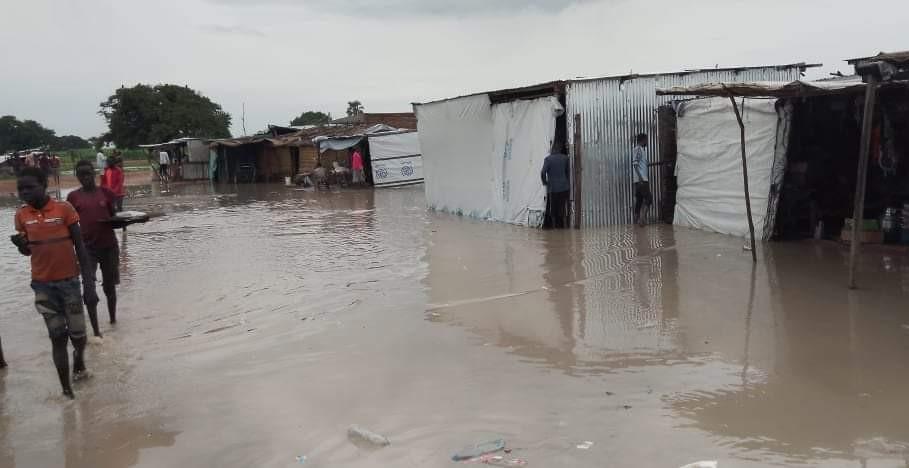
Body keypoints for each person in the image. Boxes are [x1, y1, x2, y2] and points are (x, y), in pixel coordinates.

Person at [11, 167, 95, 398]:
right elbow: (28, 251)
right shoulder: (21, 215)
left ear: (44, 185)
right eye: (20, 189)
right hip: (42, 285)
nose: (24, 192)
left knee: (78, 335)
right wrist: (21, 246)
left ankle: (79, 359)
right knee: (57, 336)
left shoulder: (64, 209)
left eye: (29, 187)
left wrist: (89, 285)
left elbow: (81, 248)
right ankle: (67, 392)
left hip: (69, 283)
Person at [67, 160, 120, 338]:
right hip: (86, 249)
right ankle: (97, 332)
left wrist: (118, 222)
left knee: (109, 287)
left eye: (88, 173)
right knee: (89, 290)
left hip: (109, 247)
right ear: (78, 177)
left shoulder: (106, 193)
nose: (86, 177)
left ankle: (113, 320)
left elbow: (114, 217)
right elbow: (69, 223)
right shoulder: (73, 197)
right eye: (81, 174)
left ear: (94, 173)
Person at [541, 140, 571, 229]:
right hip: (564, 187)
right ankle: (564, 227)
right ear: (560, 149)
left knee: (553, 209)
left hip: (553, 188)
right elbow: (568, 173)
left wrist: (545, 182)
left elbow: (543, 172)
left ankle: (554, 228)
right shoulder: (565, 158)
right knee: (562, 207)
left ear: (552, 149)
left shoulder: (548, 159)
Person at [632, 133, 653, 227]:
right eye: (646, 140)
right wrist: (641, 178)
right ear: (643, 140)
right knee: (649, 198)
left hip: (640, 180)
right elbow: (635, 164)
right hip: (642, 179)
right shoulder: (637, 149)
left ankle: (636, 222)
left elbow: (640, 164)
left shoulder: (641, 150)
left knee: (639, 200)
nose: (647, 142)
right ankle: (642, 219)